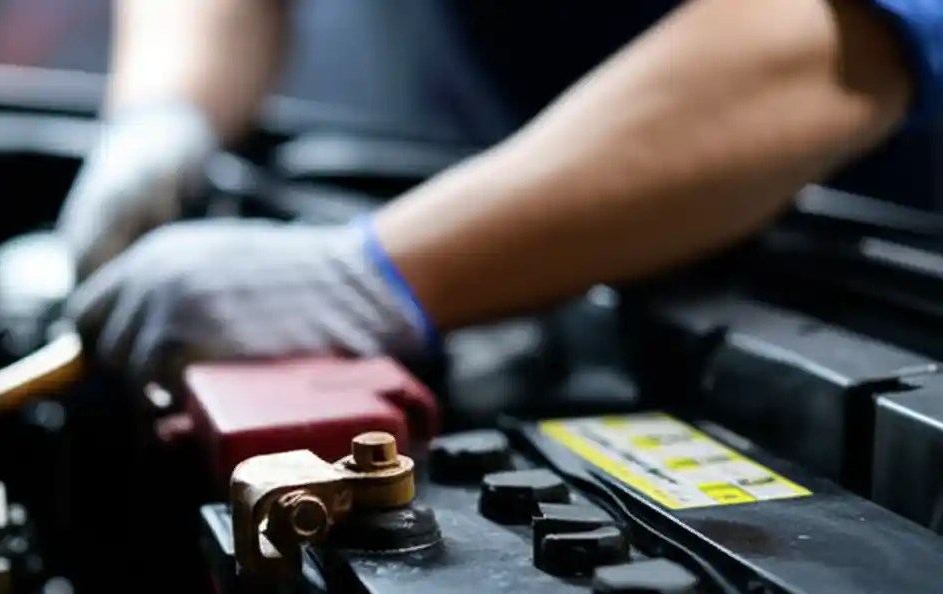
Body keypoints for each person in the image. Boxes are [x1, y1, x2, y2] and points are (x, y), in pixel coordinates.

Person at [58, 0, 941, 385]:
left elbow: (844, 42)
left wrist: (373, 273)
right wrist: (163, 116)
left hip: (865, 271)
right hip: (490, 192)